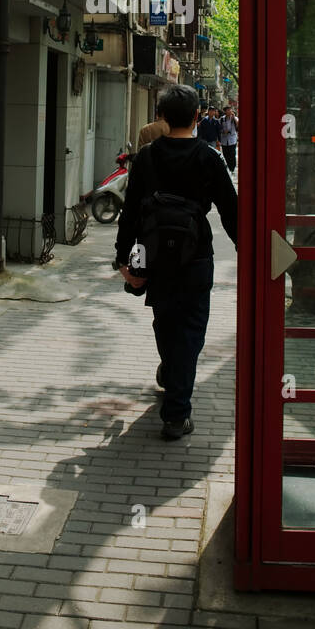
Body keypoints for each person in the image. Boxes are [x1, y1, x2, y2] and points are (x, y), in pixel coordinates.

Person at [116, 84, 238, 440]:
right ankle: (176, 414)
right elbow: (232, 212)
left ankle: (171, 373)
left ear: (162, 117)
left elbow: (130, 213)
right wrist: (250, 251)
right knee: (190, 331)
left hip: (155, 259)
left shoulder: (147, 158)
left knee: (165, 322)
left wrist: (124, 258)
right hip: (196, 257)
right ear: (198, 116)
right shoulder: (208, 159)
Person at [219, 105, 239, 173]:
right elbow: (219, 128)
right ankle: (229, 166)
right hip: (224, 140)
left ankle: (232, 168)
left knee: (232, 154)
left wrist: (234, 118)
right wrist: (223, 131)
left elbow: (238, 126)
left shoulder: (235, 118)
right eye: (227, 110)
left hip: (232, 140)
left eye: (230, 109)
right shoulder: (222, 119)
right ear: (225, 111)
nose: (229, 111)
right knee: (225, 154)